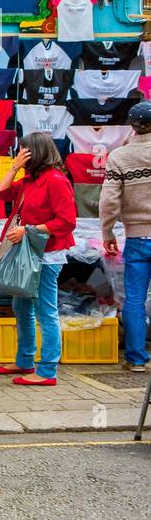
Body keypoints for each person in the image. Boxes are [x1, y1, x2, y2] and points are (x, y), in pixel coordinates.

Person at [0, 132, 77, 387]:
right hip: (28, 255)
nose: (20, 154)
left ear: (36, 152)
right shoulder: (31, 180)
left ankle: (47, 370)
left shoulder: (56, 180)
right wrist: (15, 167)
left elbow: (66, 221)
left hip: (46, 256)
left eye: (24, 151)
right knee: (22, 308)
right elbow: (2, 193)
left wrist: (30, 230)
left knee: (45, 312)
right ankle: (25, 359)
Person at [101, 101, 151, 374]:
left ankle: (137, 359)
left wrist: (107, 231)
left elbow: (109, 200)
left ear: (131, 125)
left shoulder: (120, 157)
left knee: (134, 299)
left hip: (137, 237)